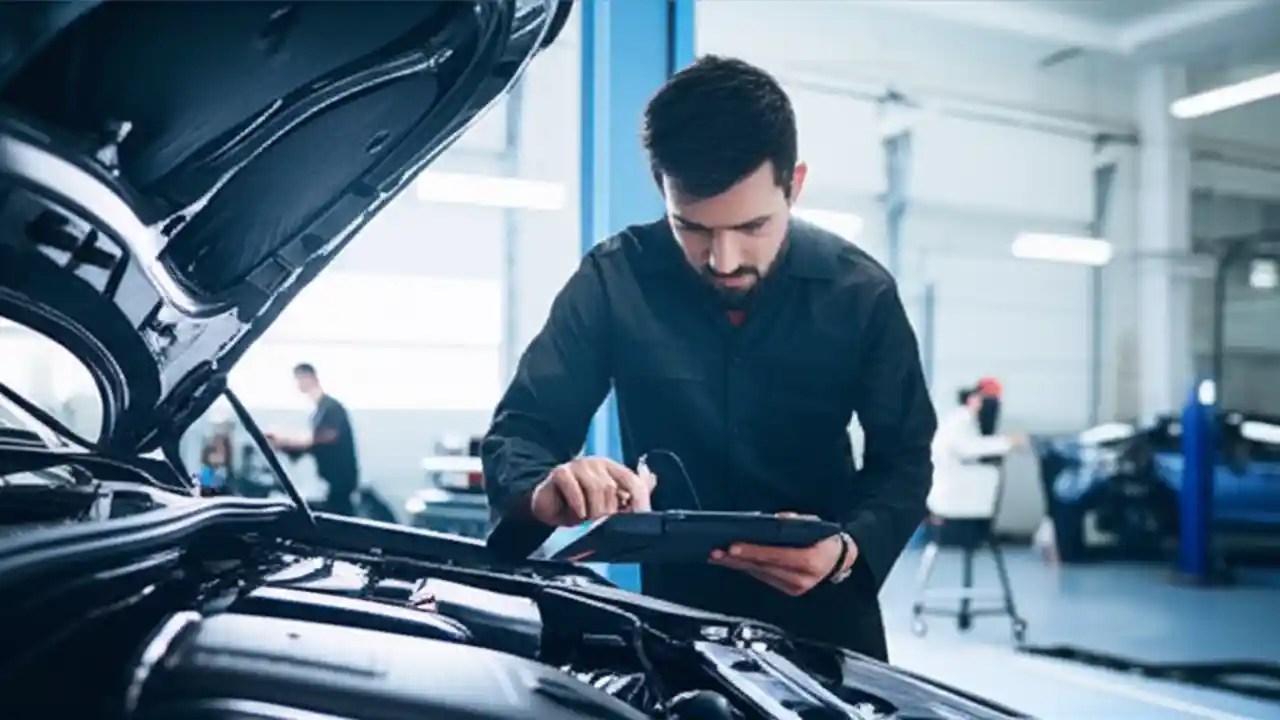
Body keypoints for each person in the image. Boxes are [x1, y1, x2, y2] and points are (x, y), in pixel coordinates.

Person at [480, 55, 937, 660]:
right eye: (691, 228)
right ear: (661, 189)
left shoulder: (860, 293)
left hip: (827, 623)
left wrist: (848, 549)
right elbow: (523, 432)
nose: (724, 259)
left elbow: (904, 461)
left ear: (794, 185)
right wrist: (548, 491)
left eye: (751, 226)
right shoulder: (614, 280)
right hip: (669, 627)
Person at [927, 379, 1027, 526]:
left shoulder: (964, 418)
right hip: (950, 485)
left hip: (949, 480)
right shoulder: (961, 419)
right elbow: (968, 448)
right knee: (992, 475)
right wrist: (1007, 442)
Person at [267, 363, 360, 516]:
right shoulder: (318, 412)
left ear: (310, 378)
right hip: (329, 483)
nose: (298, 384)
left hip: (340, 482)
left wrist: (286, 439)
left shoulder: (332, 408)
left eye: (300, 379)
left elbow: (325, 437)